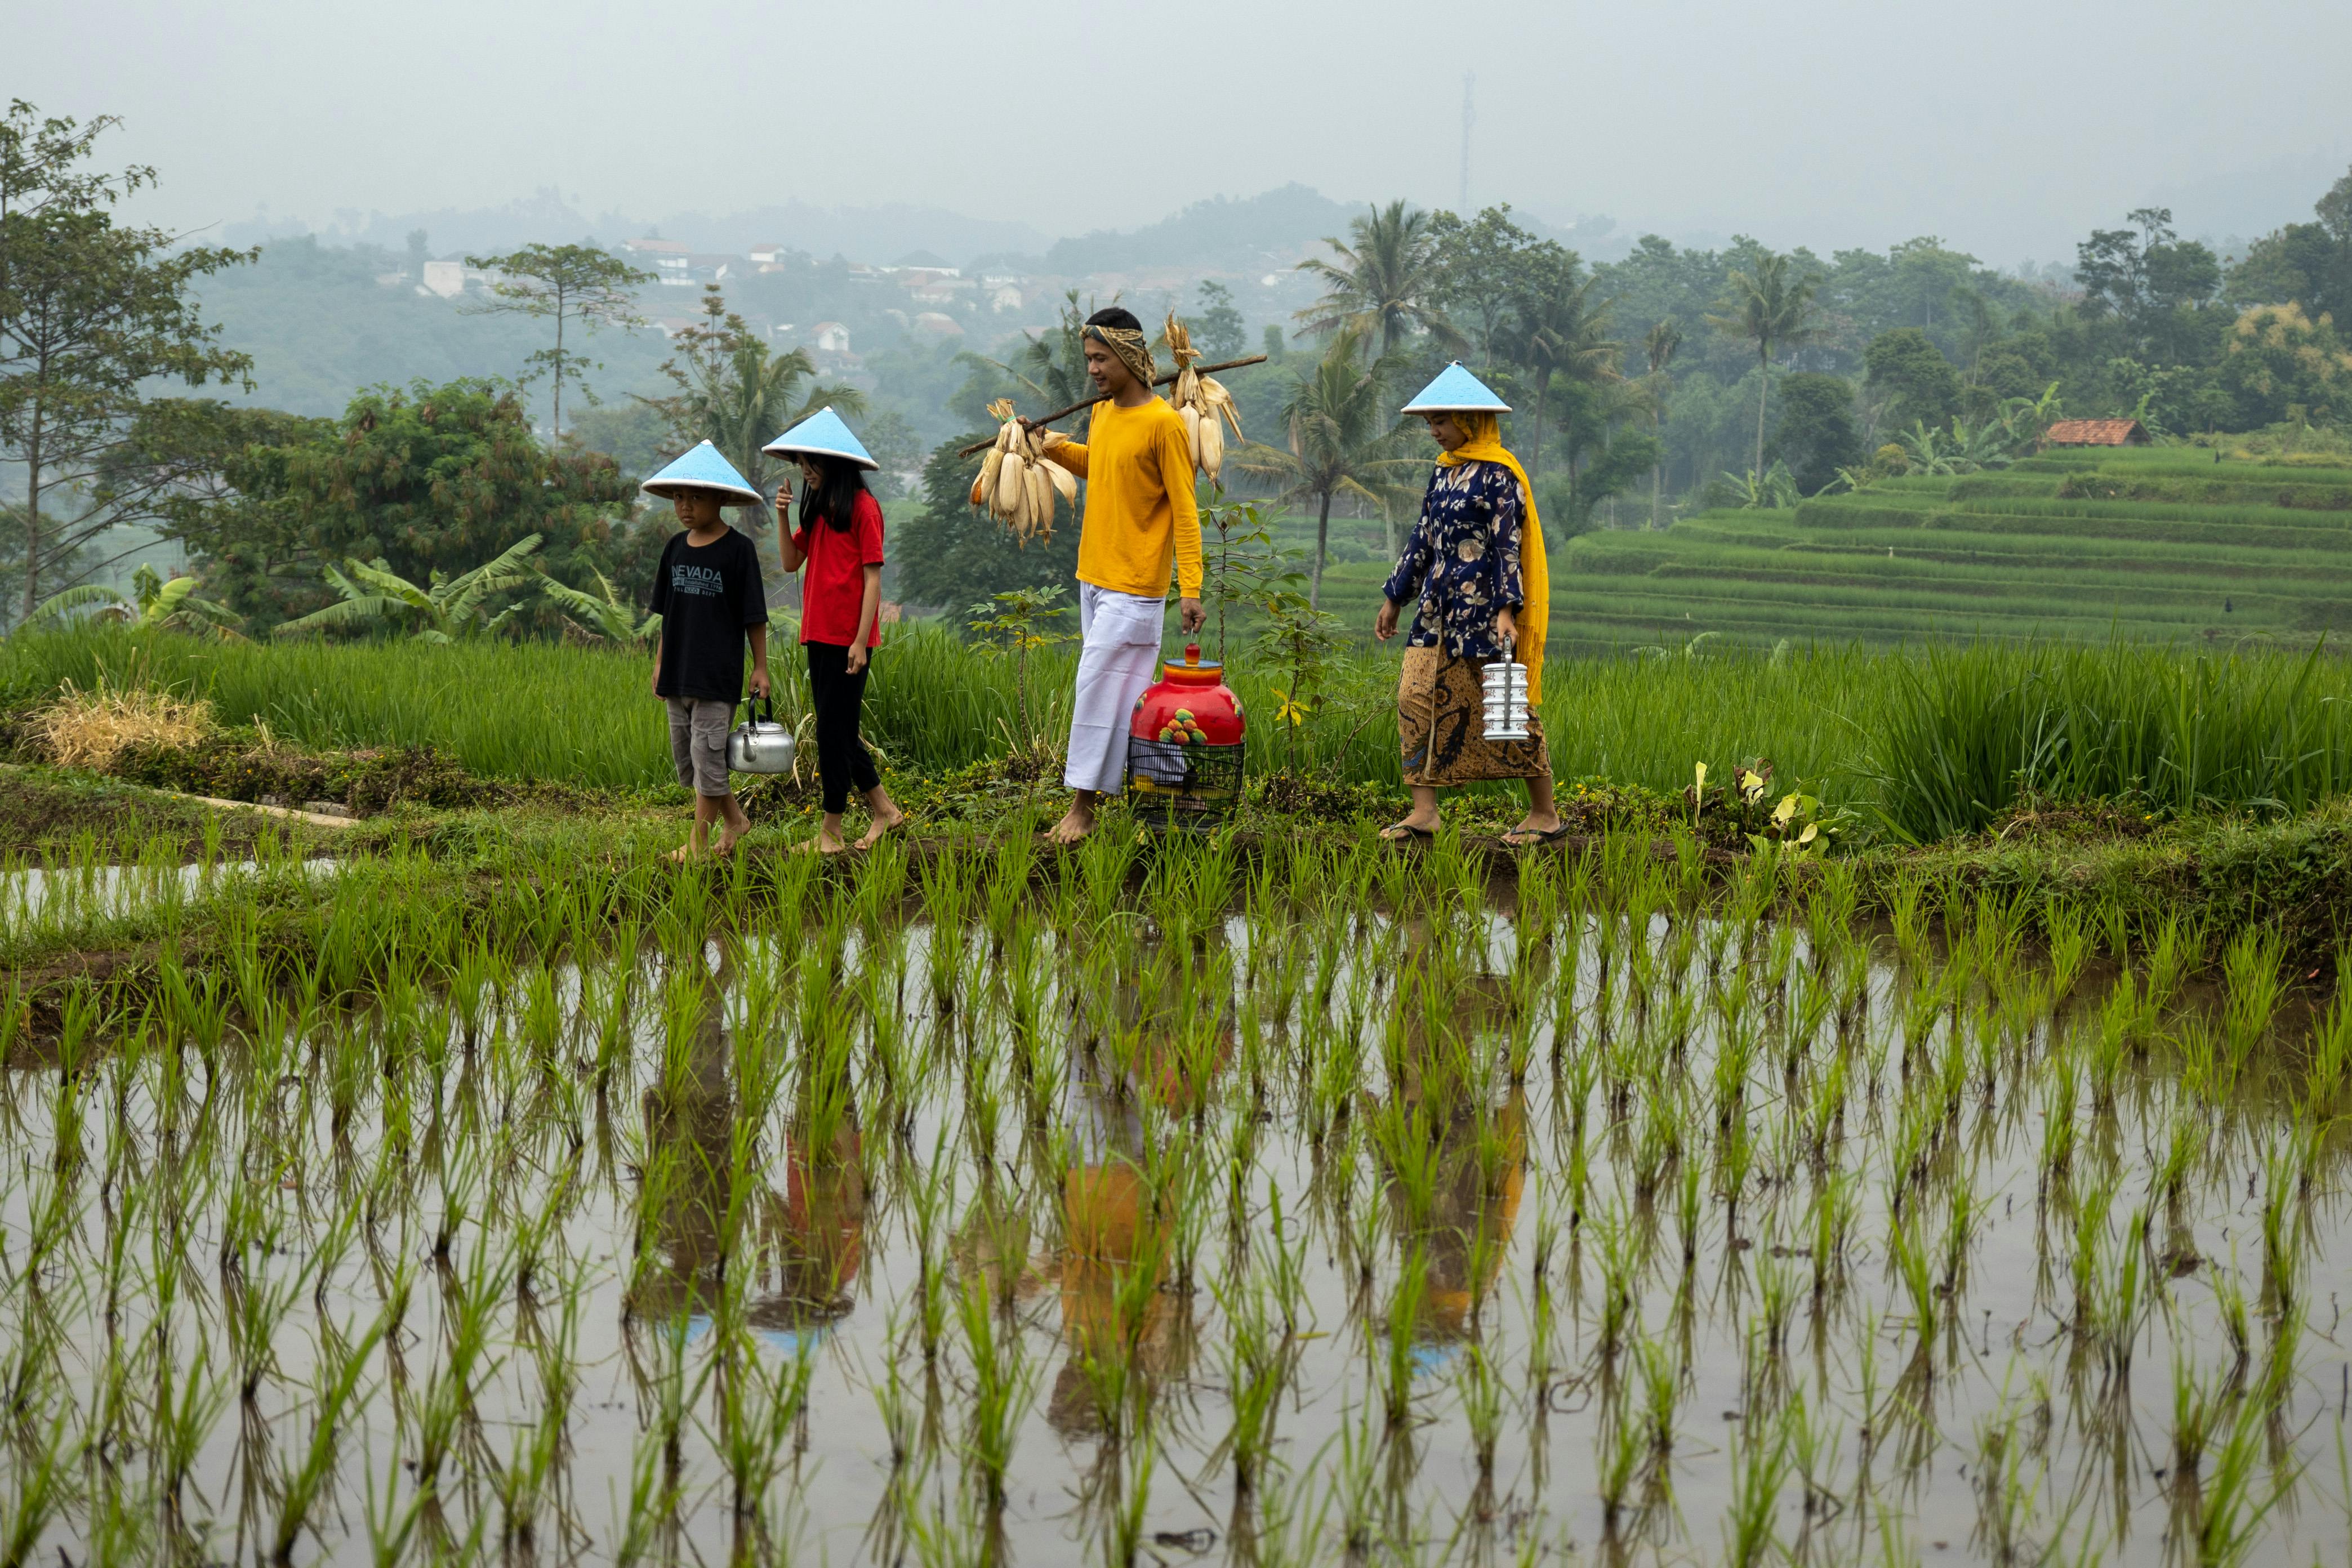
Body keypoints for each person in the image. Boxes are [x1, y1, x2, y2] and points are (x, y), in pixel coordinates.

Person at [1024, 306, 1205, 845]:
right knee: (1123, 696)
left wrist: (1190, 589)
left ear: (1128, 356)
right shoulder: (1103, 414)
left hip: (1136, 586)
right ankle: (1177, 782)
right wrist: (1052, 444)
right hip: (1095, 577)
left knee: (1096, 690)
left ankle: (1082, 808)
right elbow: (1099, 465)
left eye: (1101, 358)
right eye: (1089, 359)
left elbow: (1185, 510)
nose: (1093, 370)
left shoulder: (1165, 425)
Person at [1374, 363, 1564, 847]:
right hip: (1437, 611)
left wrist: (1506, 611)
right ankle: (1425, 812)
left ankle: (1544, 814)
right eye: (1430, 424)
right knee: (1413, 699)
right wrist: (1396, 596)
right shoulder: (1444, 473)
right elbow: (1423, 537)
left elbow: (1507, 544)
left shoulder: (1501, 476)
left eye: (1440, 421)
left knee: (1507, 710)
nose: (1434, 431)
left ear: (1470, 421)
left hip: (1483, 615)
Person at [763, 406, 905, 854]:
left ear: (836, 464)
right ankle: (884, 811)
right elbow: (791, 562)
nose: (805, 472)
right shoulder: (822, 508)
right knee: (836, 729)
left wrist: (861, 641)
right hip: (818, 634)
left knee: (833, 732)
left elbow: (873, 578)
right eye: (802, 464)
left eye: (812, 464)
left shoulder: (865, 508)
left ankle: (832, 831)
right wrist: (783, 515)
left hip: (849, 640)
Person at [642, 440, 771, 860]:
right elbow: (667, 613)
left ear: (721, 499)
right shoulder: (675, 548)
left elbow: (754, 615)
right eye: (679, 496)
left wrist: (761, 668)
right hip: (677, 672)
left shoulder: (739, 551)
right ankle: (735, 821)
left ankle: (697, 844)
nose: (685, 505)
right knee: (690, 761)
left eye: (696, 496)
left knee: (708, 755)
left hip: (716, 676)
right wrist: (661, 663)